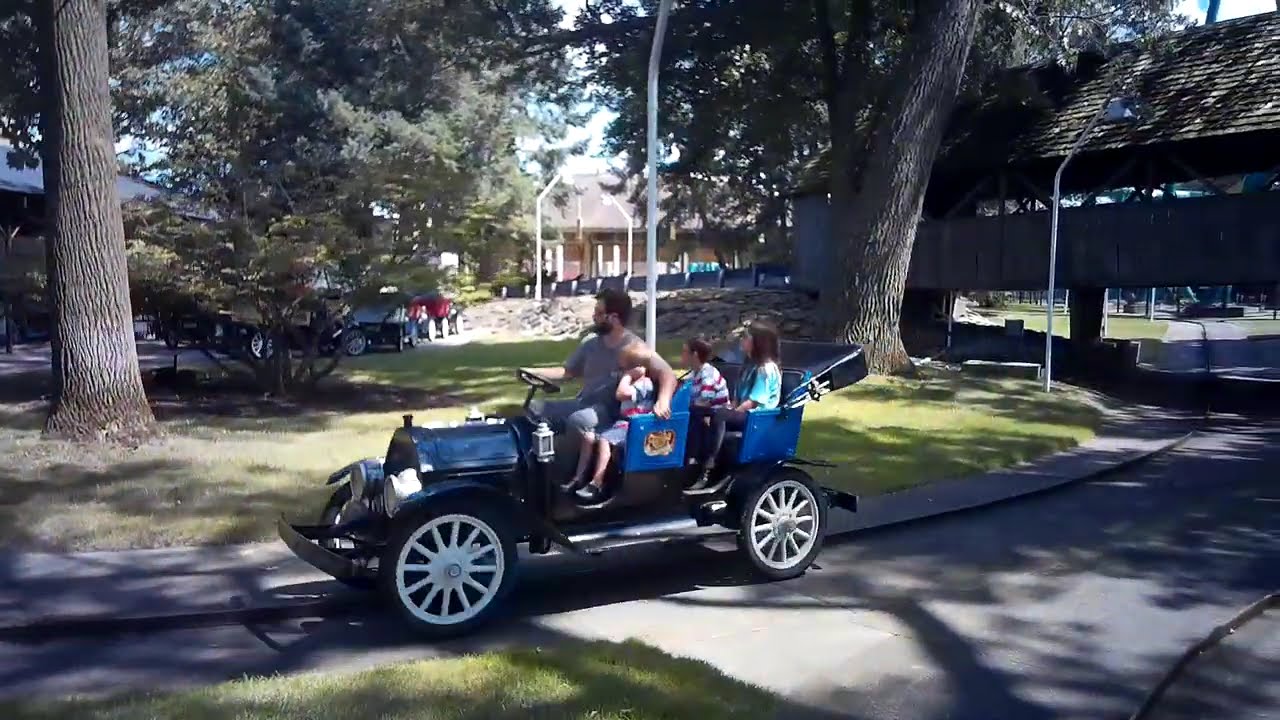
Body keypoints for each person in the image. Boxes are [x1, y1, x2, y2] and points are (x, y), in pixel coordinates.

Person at [519, 288, 677, 484]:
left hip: (609, 411)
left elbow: (667, 373)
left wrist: (663, 401)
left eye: (598, 313)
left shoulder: (633, 347)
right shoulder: (591, 344)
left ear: (614, 318)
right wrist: (533, 373)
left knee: (579, 419)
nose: (594, 316)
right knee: (535, 408)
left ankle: (566, 477)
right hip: (584, 402)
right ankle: (533, 468)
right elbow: (568, 372)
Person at [693, 320, 782, 489]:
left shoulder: (766, 369)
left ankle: (709, 465)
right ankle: (695, 458)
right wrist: (729, 408)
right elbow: (737, 397)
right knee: (698, 411)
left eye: (746, 337)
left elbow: (753, 401)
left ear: (758, 343)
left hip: (758, 418)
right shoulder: (749, 366)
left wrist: (731, 411)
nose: (742, 340)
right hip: (743, 414)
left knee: (720, 415)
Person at [574, 350, 655, 504]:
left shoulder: (645, 385)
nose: (625, 370)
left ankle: (597, 483)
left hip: (635, 426)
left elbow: (621, 394)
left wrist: (627, 376)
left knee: (605, 439)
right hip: (621, 424)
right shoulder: (632, 381)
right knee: (588, 436)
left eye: (631, 366)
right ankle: (578, 478)